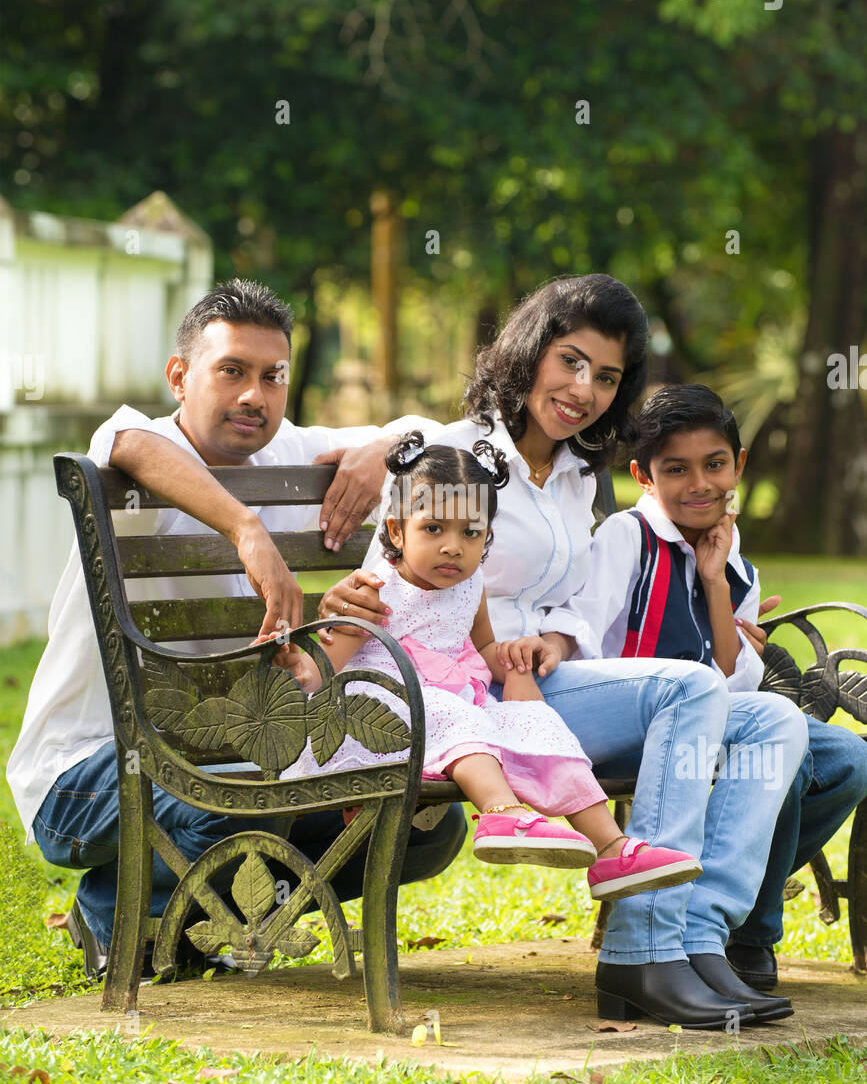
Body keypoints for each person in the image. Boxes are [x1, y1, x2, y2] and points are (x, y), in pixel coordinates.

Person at [320, 274, 809, 1028]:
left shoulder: (580, 473)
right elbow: (396, 558)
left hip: (543, 684)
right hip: (473, 694)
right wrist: (381, 443)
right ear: (528, 352)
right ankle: (640, 954)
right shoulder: (457, 456)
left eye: (606, 376)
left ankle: (695, 940)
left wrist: (555, 636)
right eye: (570, 361)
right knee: (689, 689)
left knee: (773, 724)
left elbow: (572, 604)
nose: (584, 389)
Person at [7, 278, 465, 977]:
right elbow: (119, 437)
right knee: (249, 787)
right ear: (180, 377)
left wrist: (384, 449)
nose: (254, 394)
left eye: (271, 377)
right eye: (231, 371)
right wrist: (245, 527)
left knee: (422, 824)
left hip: (234, 754)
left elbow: (438, 434)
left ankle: (164, 907)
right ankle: (127, 911)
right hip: (89, 773)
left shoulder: (292, 453)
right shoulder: (149, 450)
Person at [291, 431, 701, 897]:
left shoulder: (470, 586)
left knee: (537, 722)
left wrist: (513, 661)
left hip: (451, 709)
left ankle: (611, 848)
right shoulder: (374, 590)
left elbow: (484, 650)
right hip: (379, 714)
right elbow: (322, 671)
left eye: (471, 533)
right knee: (456, 713)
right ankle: (501, 815)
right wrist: (295, 659)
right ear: (396, 530)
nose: (453, 546)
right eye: (434, 529)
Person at [575, 383, 867, 993]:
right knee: (779, 755)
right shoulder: (627, 540)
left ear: (739, 465)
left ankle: (717, 896)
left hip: (718, 720)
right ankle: (751, 935)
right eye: (676, 469)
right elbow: (587, 648)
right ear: (643, 475)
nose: (700, 483)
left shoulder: (736, 566)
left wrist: (714, 584)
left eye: (715, 465)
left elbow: (738, 682)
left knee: (848, 758)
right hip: (635, 726)